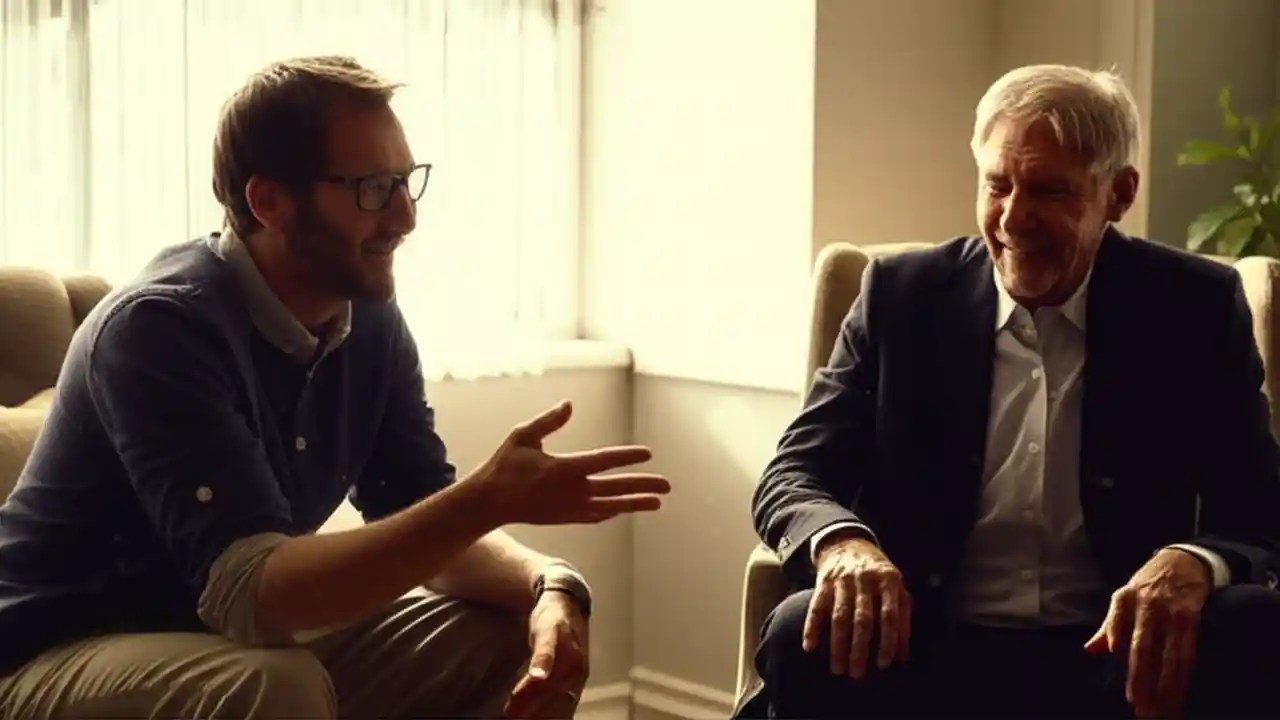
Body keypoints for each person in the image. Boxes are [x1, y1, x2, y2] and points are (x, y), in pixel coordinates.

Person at [0, 55, 670, 719]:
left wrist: (549, 584)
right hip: (53, 649)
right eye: (373, 188)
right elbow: (256, 596)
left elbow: (419, 513)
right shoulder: (160, 328)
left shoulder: (368, 320)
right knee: (276, 683)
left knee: (507, 633)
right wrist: (485, 498)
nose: (405, 218)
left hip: (218, 641)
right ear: (269, 201)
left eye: (408, 182)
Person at [739, 64, 1280, 719]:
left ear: (1119, 193)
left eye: (1050, 190)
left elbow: (1258, 504)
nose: (1014, 218)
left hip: (1116, 655)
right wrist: (844, 545)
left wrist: (1192, 561)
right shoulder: (900, 296)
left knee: (1251, 622)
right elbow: (793, 474)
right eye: (997, 184)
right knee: (804, 631)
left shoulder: (1192, 307)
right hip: (923, 643)